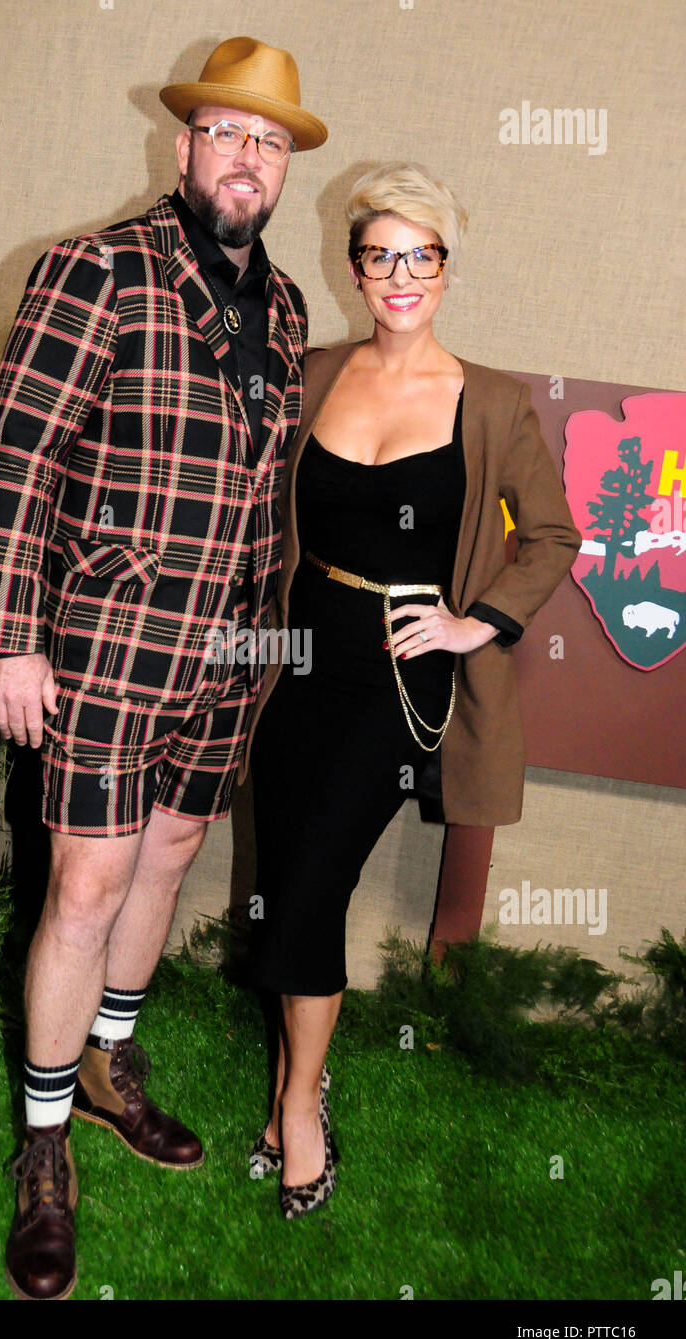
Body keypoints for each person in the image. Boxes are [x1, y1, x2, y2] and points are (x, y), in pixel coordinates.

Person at [0, 36, 327, 1298]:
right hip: (104, 641)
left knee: (168, 859)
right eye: (228, 133)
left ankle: (113, 1069)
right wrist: (7, 632)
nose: (248, 158)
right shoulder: (97, 268)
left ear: (284, 170)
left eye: (270, 141)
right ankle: (47, 1143)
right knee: (83, 885)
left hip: (227, 651)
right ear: (183, 147)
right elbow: (16, 461)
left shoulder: (285, 311)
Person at [239, 161, 582, 1219]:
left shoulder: (490, 404)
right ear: (353, 268)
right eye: (380, 254)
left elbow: (556, 532)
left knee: (309, 887)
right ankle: (300, 1079)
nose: (399, 274)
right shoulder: (313, 372)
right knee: (287, 868)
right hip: (293, 662)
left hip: (398, 681)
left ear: (444, 267)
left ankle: (299, 1103)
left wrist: (473, 623)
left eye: (419, 255)